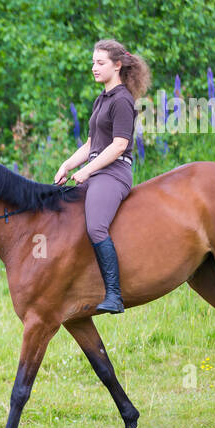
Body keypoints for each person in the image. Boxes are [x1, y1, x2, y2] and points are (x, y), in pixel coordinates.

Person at [54, 39, 151, 314]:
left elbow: (119, 144)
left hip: (114, 172)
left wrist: (86, 171)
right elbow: (90, 144)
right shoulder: (102, 99)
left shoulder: (122, 100)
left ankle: (114, 294)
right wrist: (67, 165)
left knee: (96, 226)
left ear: (117, 65)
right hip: (98, 170)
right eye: (93, 62)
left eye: (100, 63)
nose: (94, 68)